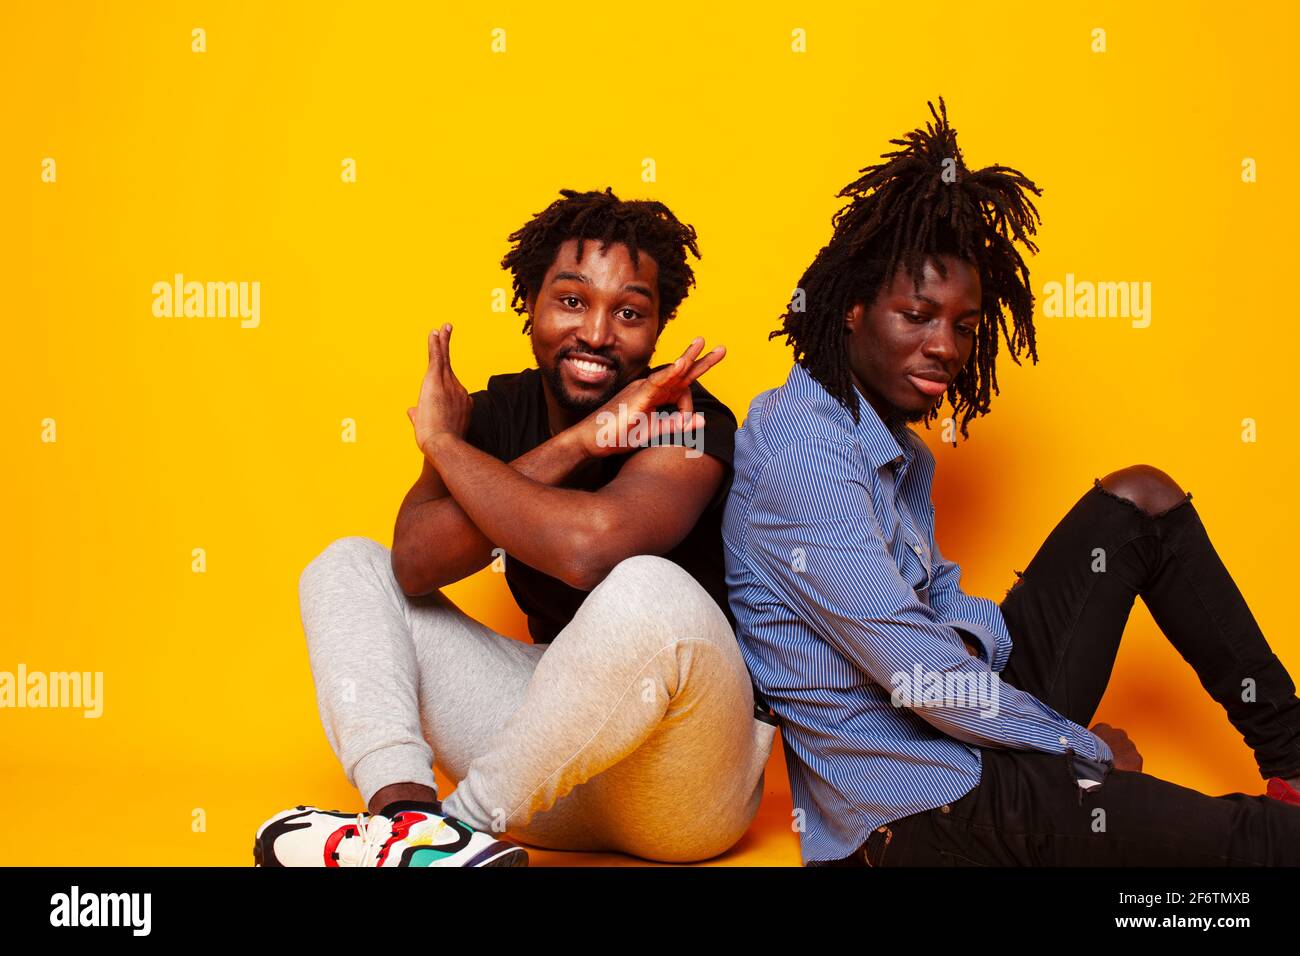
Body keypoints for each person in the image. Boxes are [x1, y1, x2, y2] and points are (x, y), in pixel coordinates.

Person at [722, 98, 1300, 866]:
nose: (946, 347)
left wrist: (995, 665)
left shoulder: (891, 448)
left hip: (963, 729)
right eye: (918, 316)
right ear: (852, 310)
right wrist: (1077, 749)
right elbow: (922, 677)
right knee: (1256, 846)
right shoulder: (803, 450)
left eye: (963, 326)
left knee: (1141, 501)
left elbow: (940, 619)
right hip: (920, 810)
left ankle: (1294, 761)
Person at [256, 187, 775, 867]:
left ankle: (460, 827)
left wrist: (446, 445)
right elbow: (413, 562)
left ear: (656, 330)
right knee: (349, 563)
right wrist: (577, 442)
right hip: (546, 764)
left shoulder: (686, 417)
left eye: (628, 312)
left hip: (682, 776)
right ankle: (411, 828)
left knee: (649, 586)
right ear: (528, 303)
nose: (595, 332)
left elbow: (589, 548)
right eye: (571, 300)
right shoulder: (499, 410)